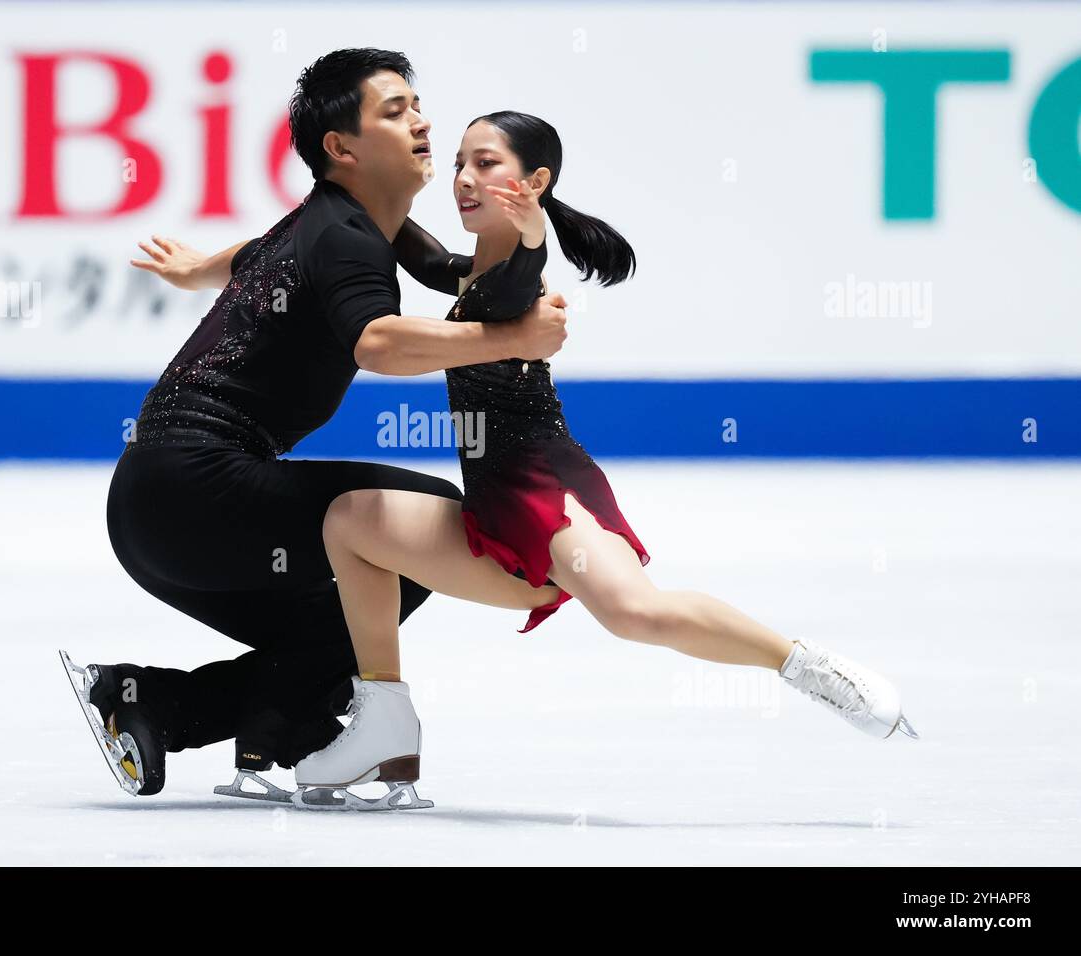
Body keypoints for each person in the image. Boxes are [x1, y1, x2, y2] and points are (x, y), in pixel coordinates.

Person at [288, 111, 919, 807]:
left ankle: (807, 667)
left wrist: (528, 224)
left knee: (634, 614)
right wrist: (354, 184)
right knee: (350, 522)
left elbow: (529, 251)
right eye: (461, 163)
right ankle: (386, 723)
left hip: (544, 492)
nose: (465, 179)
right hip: (494, 515)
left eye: (487, 164)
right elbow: (424, 254)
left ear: (535, 182)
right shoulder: (474, 274)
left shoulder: (517, 280)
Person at [71, 48, 573, 799]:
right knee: (419, 531)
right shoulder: (347, 237)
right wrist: (513, 342)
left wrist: (198, 267)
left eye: (416, 103)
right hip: (197, 494)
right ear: (342, 148)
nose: (422, 121)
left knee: (343, 606)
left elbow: (277, 258)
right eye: (395, 110)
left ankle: (162, 704)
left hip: (159, 510)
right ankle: (283, 719)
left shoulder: (337, 222)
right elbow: (377, 341)